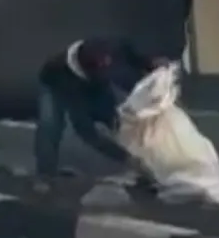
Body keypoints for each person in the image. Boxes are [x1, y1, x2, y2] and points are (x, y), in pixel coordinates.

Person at [35, 37, 166, 183]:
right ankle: (45, 176)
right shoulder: (65, 79)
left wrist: (149, 63)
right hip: (54, 85)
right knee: (51, 125)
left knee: (115, 118)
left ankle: (143, 157)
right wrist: (127, 158)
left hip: (92, 81)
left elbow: (128, 52)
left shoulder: (108, 47)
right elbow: (86, 131)